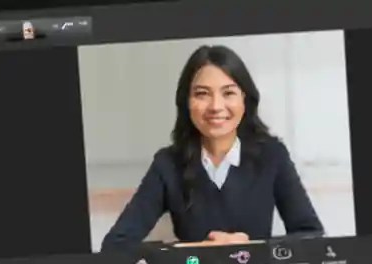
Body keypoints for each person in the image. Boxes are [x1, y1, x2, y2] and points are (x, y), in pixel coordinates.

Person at [100, 45, 323, 252]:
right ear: (186, 102)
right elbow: (115, 246)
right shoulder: (167, 164)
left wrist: (252, 247)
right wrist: (191, 251)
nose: (216, 106)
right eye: (202, 94)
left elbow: (312, 236)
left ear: (245, 100)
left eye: (228, 93)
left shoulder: (272, 155)